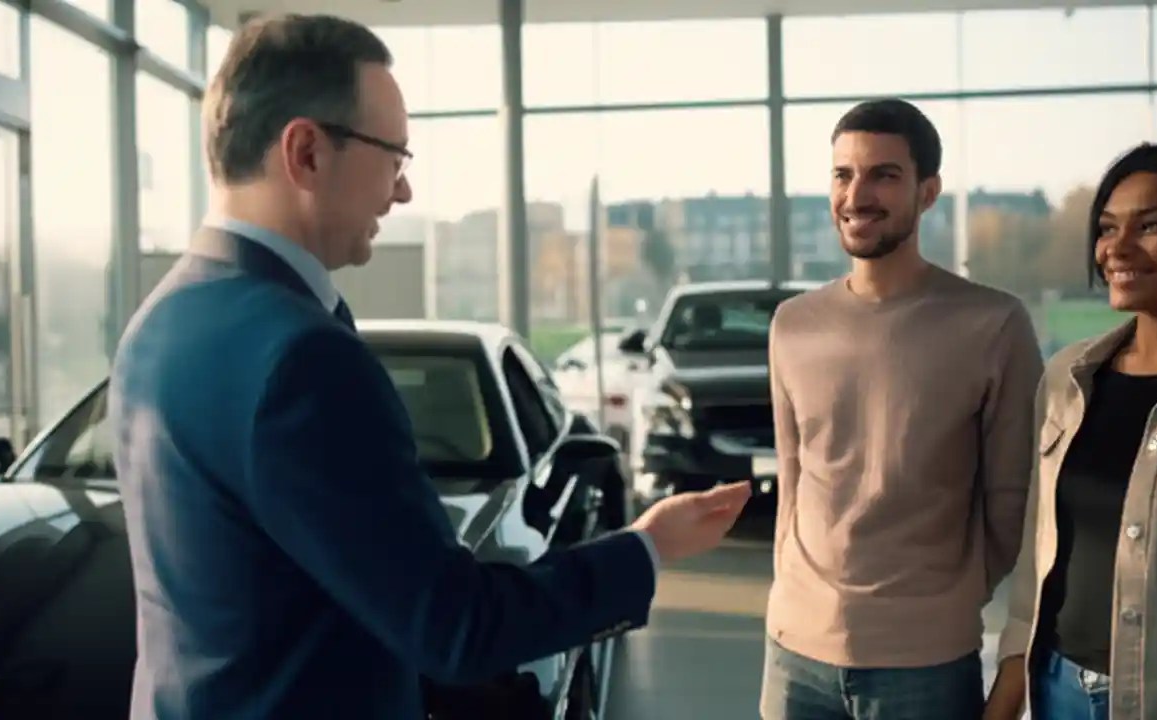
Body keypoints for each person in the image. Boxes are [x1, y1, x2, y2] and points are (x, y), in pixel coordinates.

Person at [108, 14, 750, 720]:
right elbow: (455, 626)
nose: (403, 191)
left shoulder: (159, 321)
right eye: (394, 156)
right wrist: (649, 547)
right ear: (307, 153)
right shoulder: (303, 357)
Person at [759, 98, 1044, 719]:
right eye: (843, 174)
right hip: (793, 655)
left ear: (928, 191)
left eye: (883, 174)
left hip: (925, 663)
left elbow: (1014, 502)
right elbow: (793, 478)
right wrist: (792, 592)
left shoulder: (993, 323)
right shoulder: (793, 325)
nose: (856, 195)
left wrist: (943, 603)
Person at [984, 139, 1157, 720]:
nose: (1117, 249)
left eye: (1152, 225)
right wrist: (1006, 697)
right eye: (1108, 227)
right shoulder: (1069, 377)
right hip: (1055, 687)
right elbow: (1037, 571)